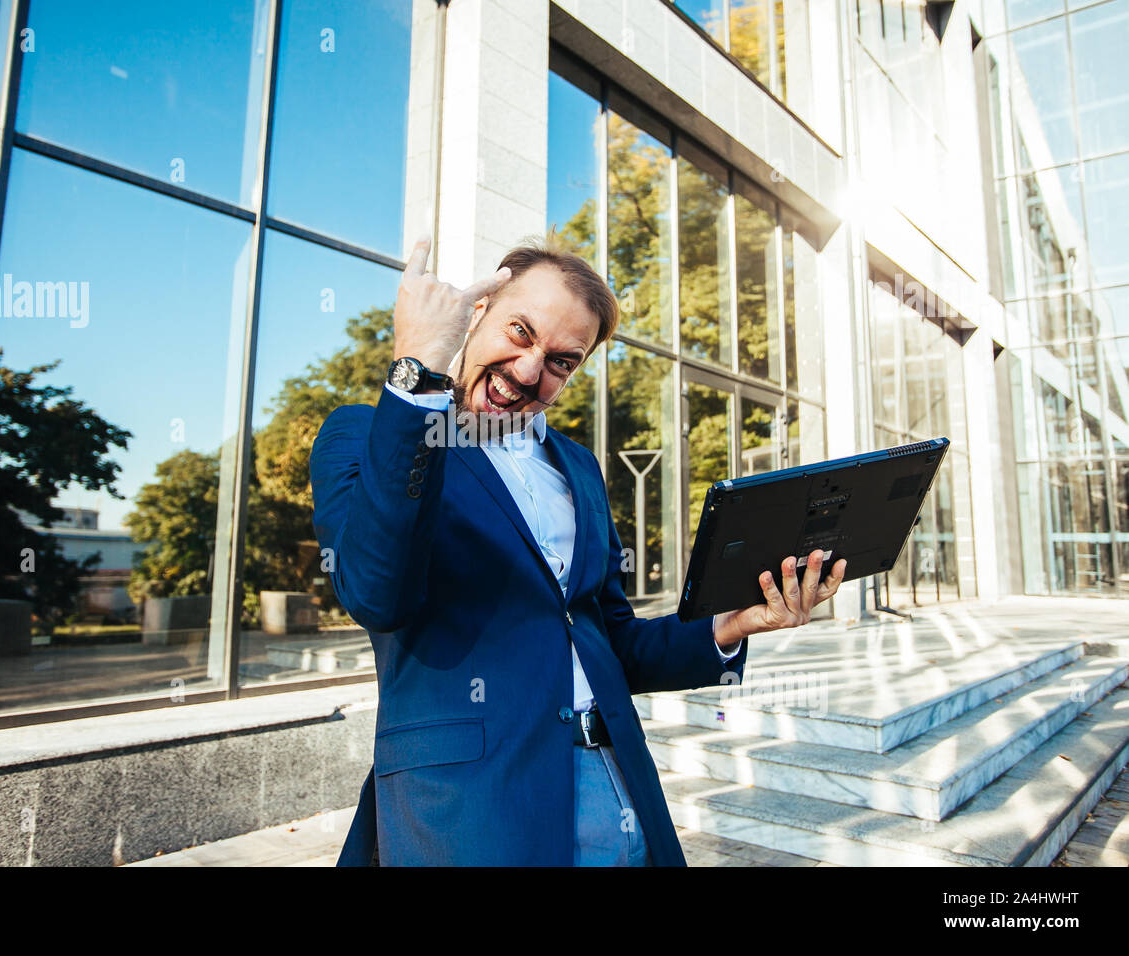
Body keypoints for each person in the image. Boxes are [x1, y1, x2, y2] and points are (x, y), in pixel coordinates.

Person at [309, 231, 846, 866]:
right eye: (519, 332)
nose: (530, 372)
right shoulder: (370, 432)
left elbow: (611, 639)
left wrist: (736, 624)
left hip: (616, 787)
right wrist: (417, 367)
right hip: (471, 810)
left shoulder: (578, 468)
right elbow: (377, 590)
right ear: (475, 313)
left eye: (563, 360)